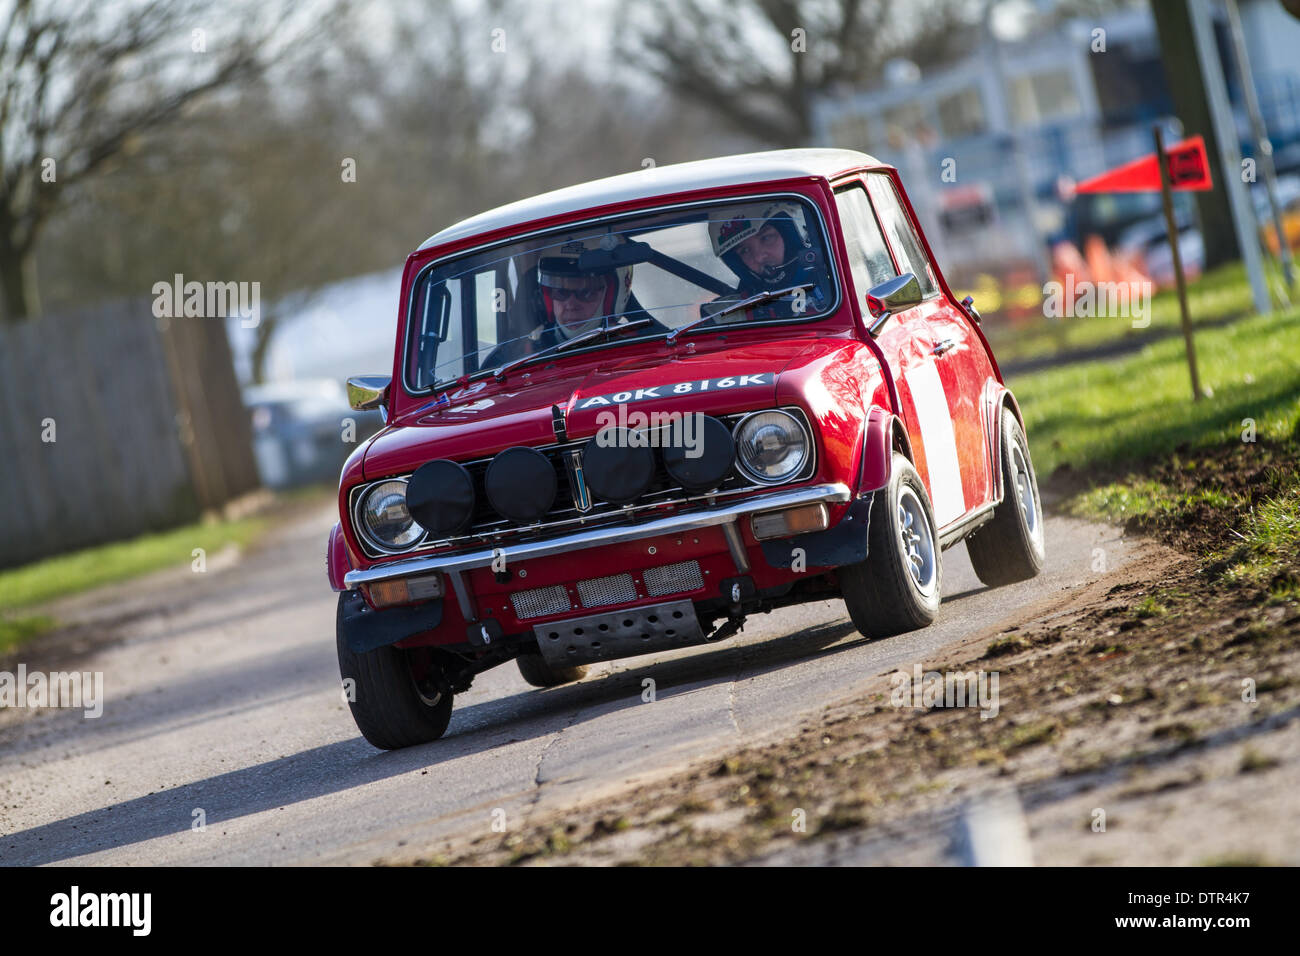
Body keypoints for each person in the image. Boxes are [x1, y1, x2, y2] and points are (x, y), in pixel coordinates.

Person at [707, 201, 829, 319]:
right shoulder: (730, 315)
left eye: (766, 238)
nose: (759, 257)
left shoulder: (836, 280)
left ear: (789, 236)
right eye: (744, 251)